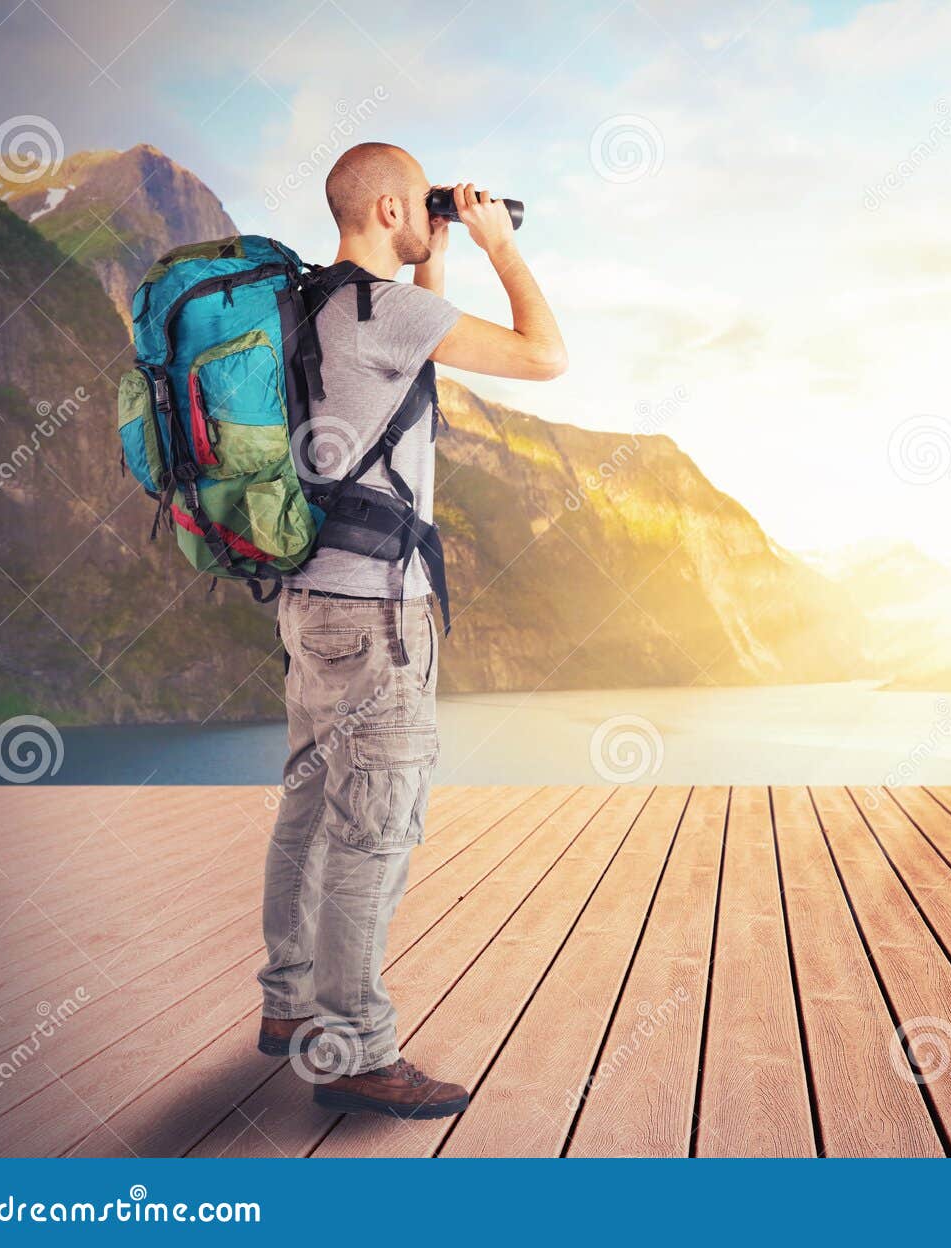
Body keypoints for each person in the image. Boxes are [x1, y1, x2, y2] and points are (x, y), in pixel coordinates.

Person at [254, 142, 565, 1119]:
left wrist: (437, 249)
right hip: (381, 614)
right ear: (391, 207)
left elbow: (410, 358)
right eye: (420, 204)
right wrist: (499, 247)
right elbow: (544, 356)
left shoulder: (307, 307)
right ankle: (353, 1048)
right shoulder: (391, 312)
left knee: (309, 804)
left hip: (309, 602)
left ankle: (290, 1006)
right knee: (373, 828)